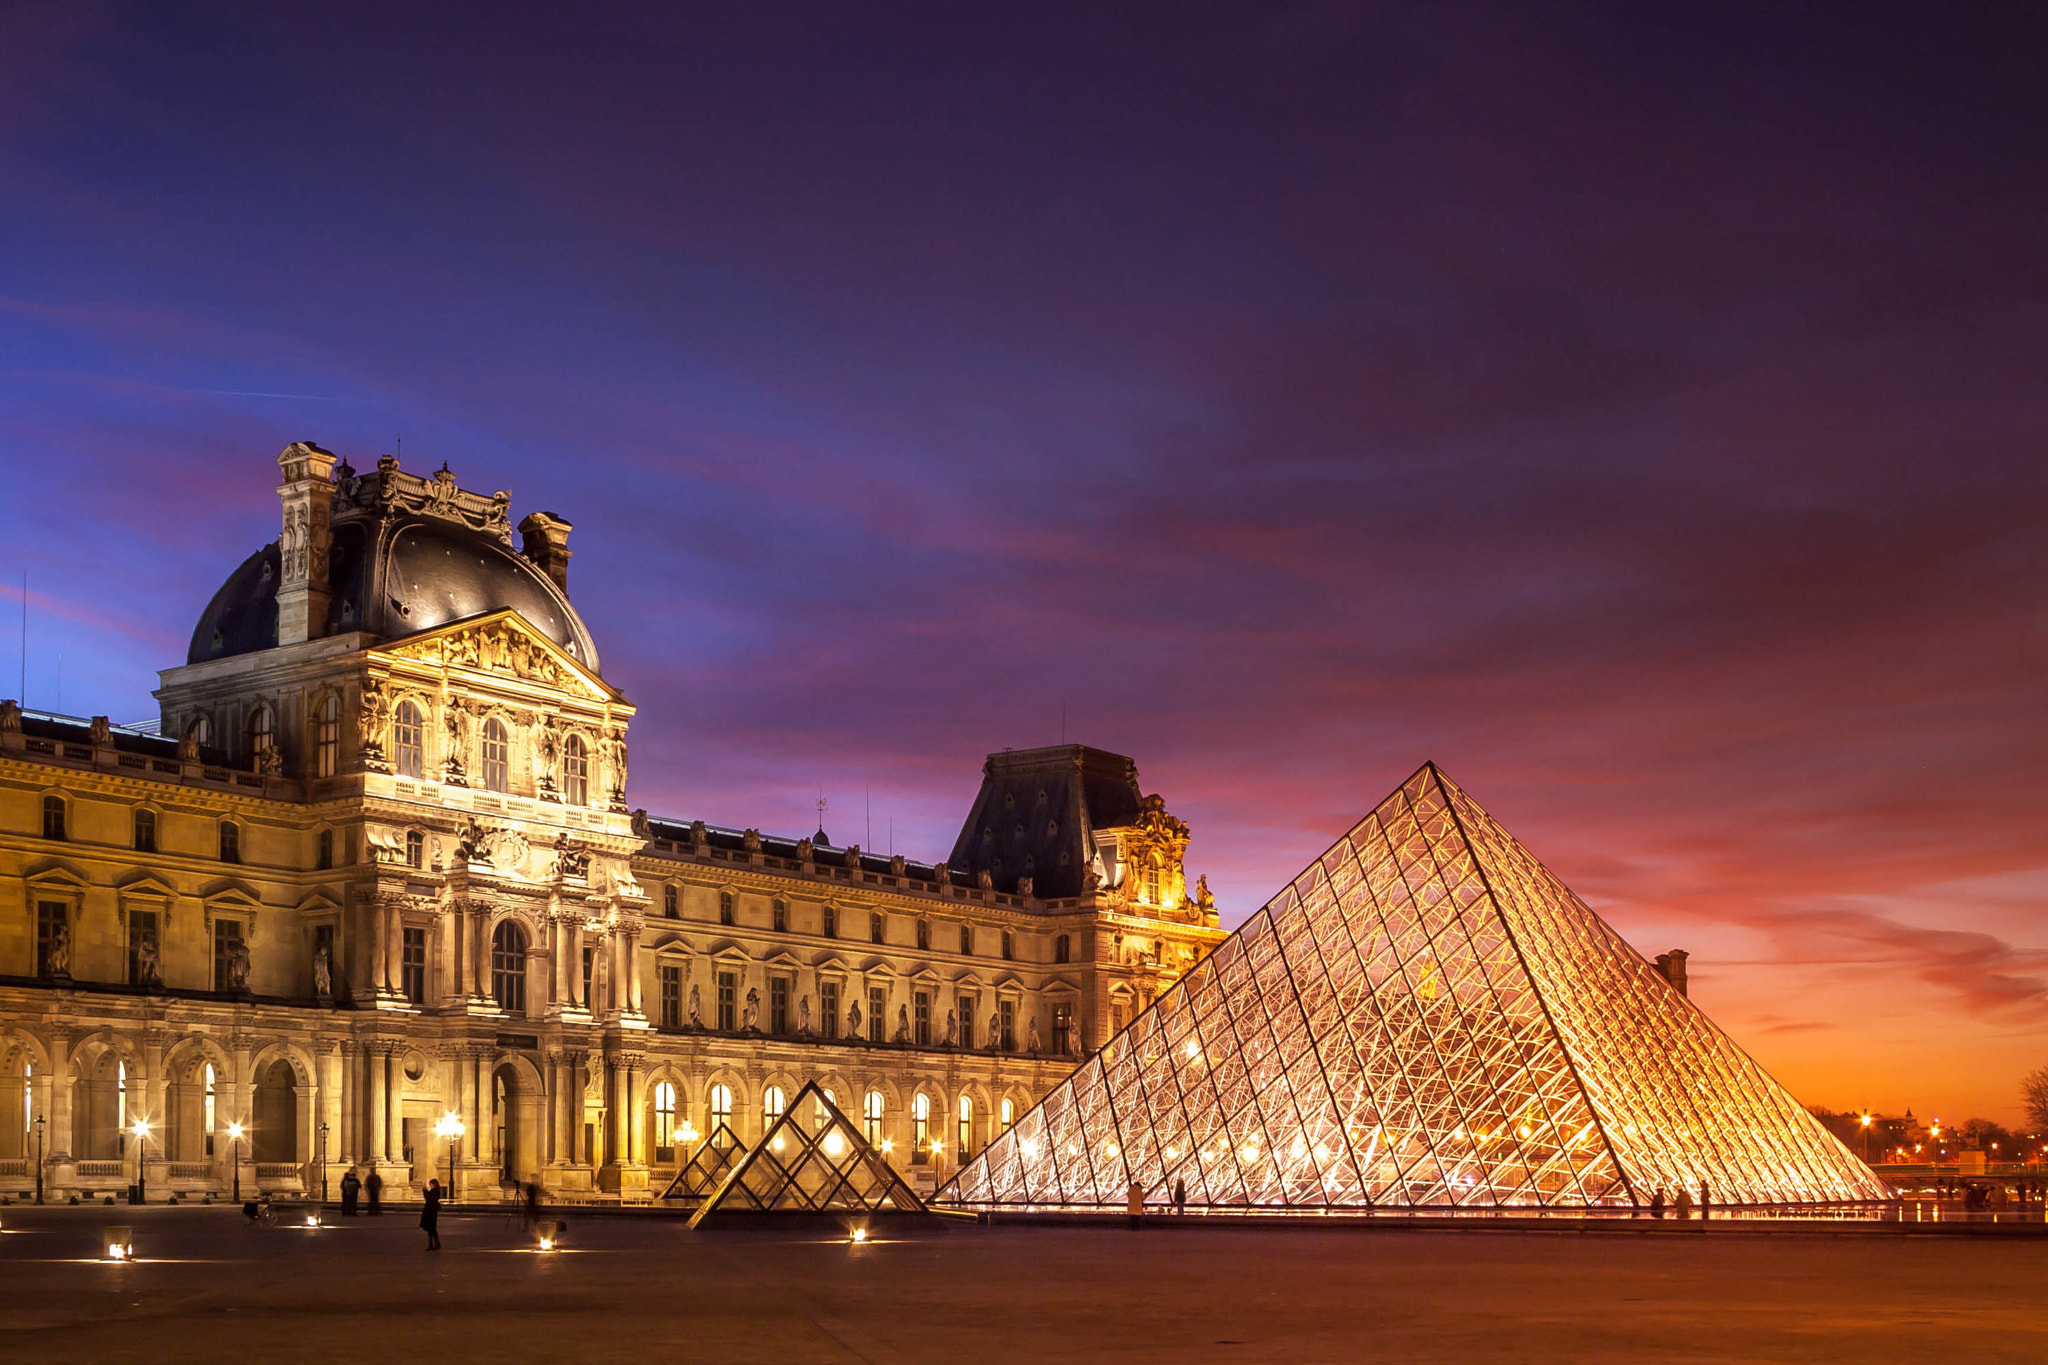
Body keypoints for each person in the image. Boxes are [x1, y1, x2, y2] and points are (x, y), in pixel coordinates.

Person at [421, 1178, 442, 1250]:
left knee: (431, 1229)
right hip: (431, 1212)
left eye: (431, 1184)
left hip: (430, 1212)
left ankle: (433, 1244)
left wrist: (425, 1191)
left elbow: (429, 1198)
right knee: (432, 1229)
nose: (430, 1186)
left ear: (434, 1184)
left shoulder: (434, 1191)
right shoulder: (436, 1191)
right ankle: (434, 1244)